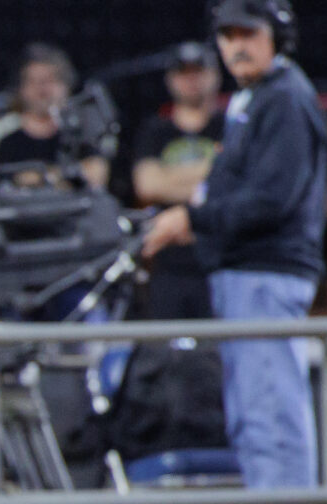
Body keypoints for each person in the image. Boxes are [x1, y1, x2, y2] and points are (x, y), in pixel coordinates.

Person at [142, 0, 326, 504]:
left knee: (272, 409)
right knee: (251, 413)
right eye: (227, 36)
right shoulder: (250, 100)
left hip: (268, 273)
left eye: (248, 34)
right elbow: (228, 185)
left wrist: (192, 220)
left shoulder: (286, 98)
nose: (235, 46)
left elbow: (274, 197)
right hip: (241, 273)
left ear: (277, 37)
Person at [132, 43, 227, 320]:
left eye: (199, 72)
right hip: (168, 261)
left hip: (218, 259)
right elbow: (147, 186)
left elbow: (234, 181)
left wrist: (170, 178)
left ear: (215, 75)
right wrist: (209, 174)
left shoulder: (229, 126)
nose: (191, 80)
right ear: (170, 80)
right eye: (183, 73)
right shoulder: (155, 130)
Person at [0, 44, 111, 189]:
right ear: (21, 89)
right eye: (33, 81)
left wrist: (44, 176)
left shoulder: (81, 134)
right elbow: (11, 181)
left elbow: (96, 174)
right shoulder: (5, 141)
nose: (42, 90)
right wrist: (67, 174)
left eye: (50, 80)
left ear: (66, 86)